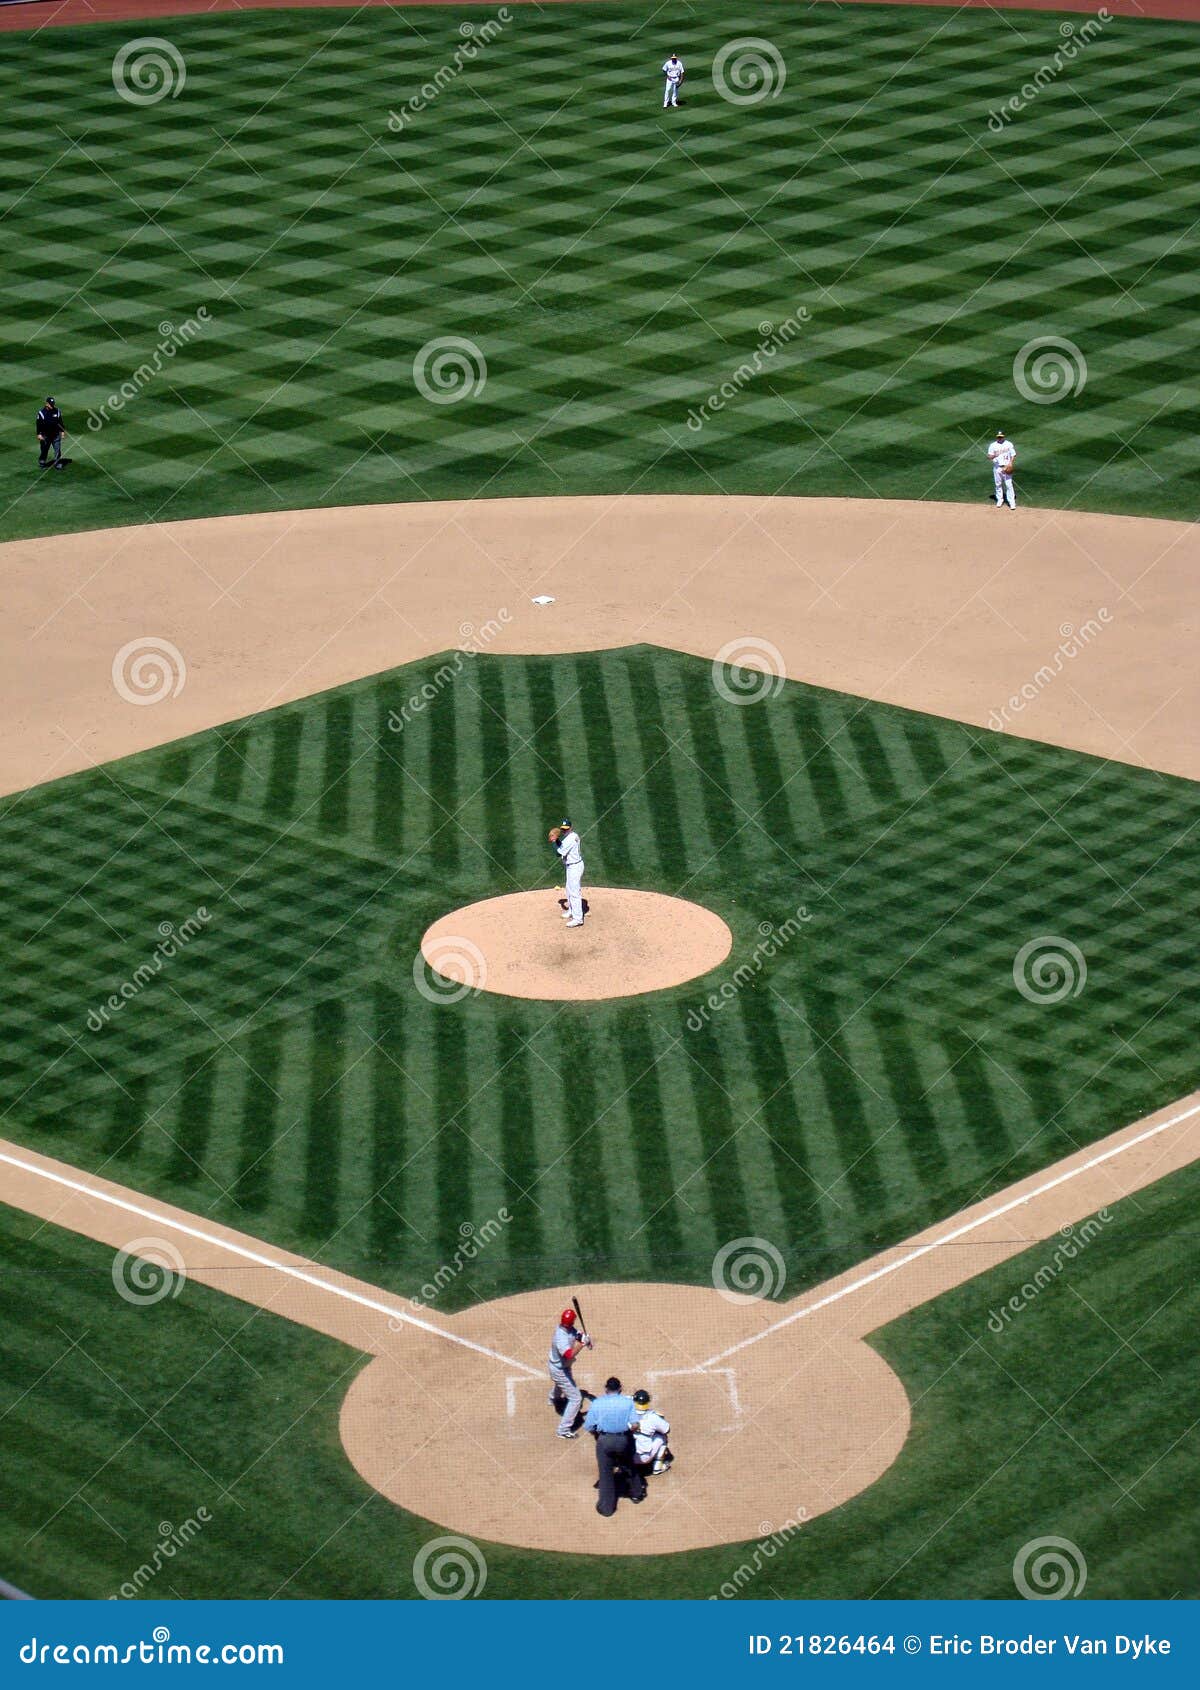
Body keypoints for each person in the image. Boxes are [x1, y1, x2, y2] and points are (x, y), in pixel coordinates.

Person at [584, 1376, 645, 1515]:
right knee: (628, 1465)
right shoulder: (627, 1402)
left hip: (604, 1441)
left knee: (605, 1474)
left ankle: (606, 1508)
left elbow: (588, 1426)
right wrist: (628, 1433)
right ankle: (636, 1494)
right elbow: (635, 1425)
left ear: (606, 1389)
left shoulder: (597, 1403)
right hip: (623, 1440)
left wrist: (597, 1435)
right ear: (620, 1388)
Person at [547, 1306, 591, 1439]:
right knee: (576, 1398)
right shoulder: (560, 1337)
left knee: (562, 1384)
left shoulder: (567, 1328)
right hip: (559, 1368)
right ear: (571, 1321)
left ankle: (553, 1399)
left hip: (563, 1367)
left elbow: (577, 1335)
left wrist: (585, 1338)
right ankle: (563, 1430)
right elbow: (569, 1354)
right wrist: (582, 1344)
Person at [548, 818, 586, 927]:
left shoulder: (570, 839)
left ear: (571, 828)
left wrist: (554, 841)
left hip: (575, 867)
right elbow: (563, 845)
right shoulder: (572, 836)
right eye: (563, 829)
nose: (564, 831)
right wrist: (558, 841)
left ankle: (578, 918)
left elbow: (558, 853)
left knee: (574, 893)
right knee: (569, 889)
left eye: (566, 829)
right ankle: (571, 911)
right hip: (572, 866)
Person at [632, 1388, 673, 1475]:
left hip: (628, 1457)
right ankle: (657, 1467)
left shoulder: (627, 1415)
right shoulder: (653, 1417)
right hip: (645, 1458)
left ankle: (620, 1466)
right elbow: (667, 1429)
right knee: (662, 1436)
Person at [987, 430, 1017, 508]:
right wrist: (994, 455)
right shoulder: (992, 445)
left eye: (1001, 437)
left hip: (1007, 467)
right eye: (998, 437)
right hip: (997, 468)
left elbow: (1013, 455)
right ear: (997, 437)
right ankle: (1000, 500)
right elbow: (989, 457)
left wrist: (1010, 463)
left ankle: (1012, 502)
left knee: (1009, 485)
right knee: (998, 484)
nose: (1000, 438)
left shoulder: (1009, 444)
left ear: (1004, 436)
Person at [36, 396, 65, 469]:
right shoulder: (41, 413)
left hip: (55, 434)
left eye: (53, 404)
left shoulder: (57, 411)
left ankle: (57, 463)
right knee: (44, 449)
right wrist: (39, 434)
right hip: (45, 435)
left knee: (57, 449)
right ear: (46, 404)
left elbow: (60, 422)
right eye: (50, 404)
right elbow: (38, 424)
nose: (52, 406)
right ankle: (42, 462)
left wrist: (62, 431)